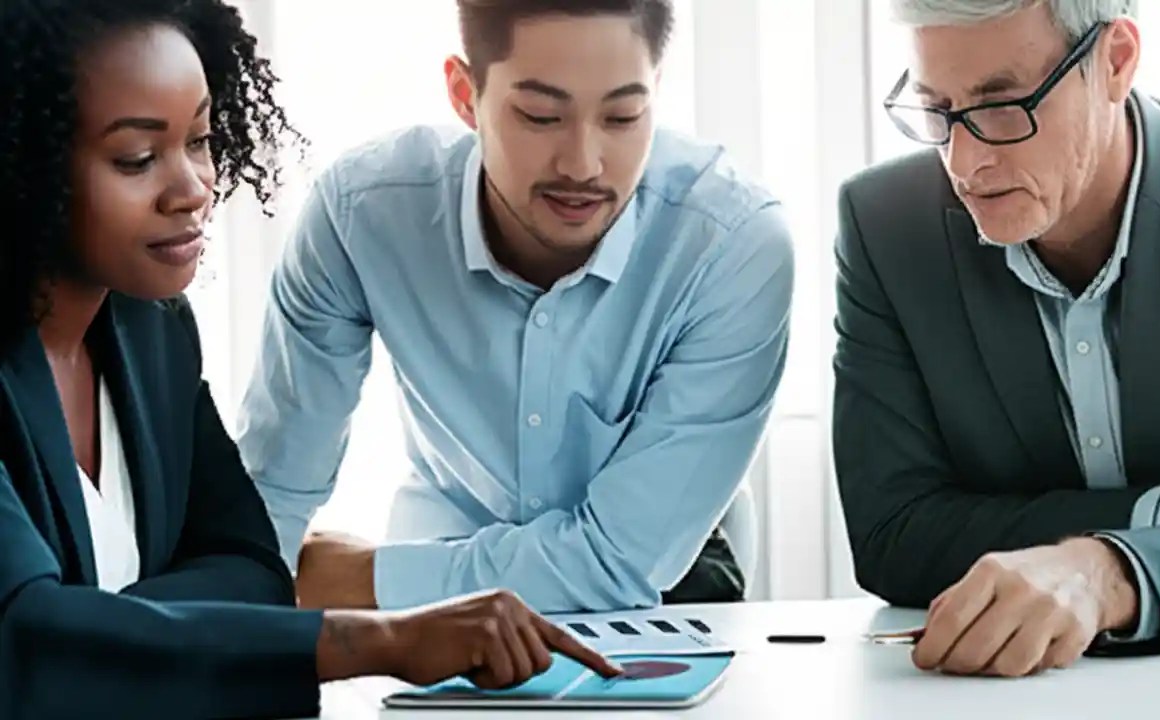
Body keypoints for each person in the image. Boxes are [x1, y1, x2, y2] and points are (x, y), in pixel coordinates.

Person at [0, 2, 619, 718]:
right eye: (137, 159)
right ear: (23, 160)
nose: (194, 188)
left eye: (199, 140)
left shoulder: (152, 334)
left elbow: (256, 572)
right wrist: (376, 640)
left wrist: (100, 632)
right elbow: (25, 644)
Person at [237, 0, 794, 614]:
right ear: (463, 93)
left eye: (623, 115)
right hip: (437, 588)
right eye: (540, 115)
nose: (583, 164)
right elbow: (272, 493)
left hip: (668, 595)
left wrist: (358, 579)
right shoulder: (362, 215)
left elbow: (621, 561)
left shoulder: (732, 243)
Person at [833, 0, 1160, 678]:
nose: (966, 162)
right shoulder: (885, 227)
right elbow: (893, 535)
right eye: (937, 110)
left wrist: (1108, 575)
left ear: (1116, 61)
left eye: (1005, 105)